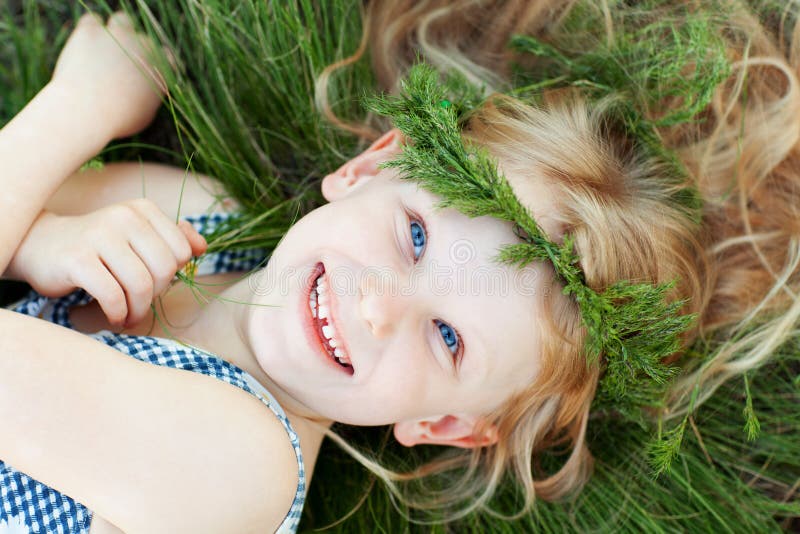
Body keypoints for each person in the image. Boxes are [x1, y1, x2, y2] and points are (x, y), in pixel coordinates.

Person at [0, 2, 798, 533]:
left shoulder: (241, 464)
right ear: (372, 165)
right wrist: (40, 246)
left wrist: (80, 112)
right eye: (414, 236)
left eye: (449, 337)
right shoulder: (197, 210)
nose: (378, 307)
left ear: (444, 426)